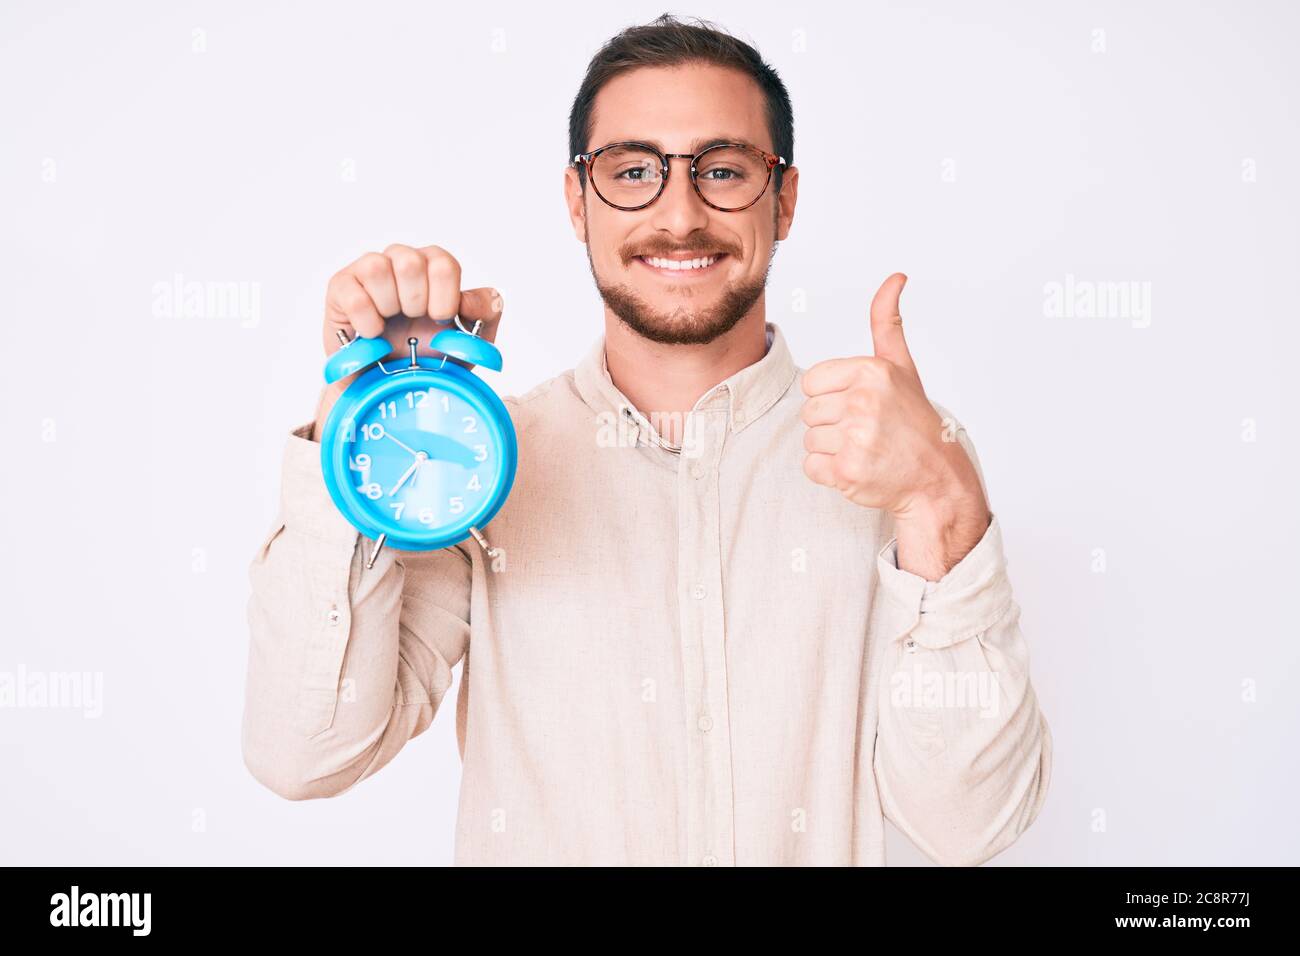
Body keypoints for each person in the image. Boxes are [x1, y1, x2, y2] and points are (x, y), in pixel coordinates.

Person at [241, 13, 1052, 866]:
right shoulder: (473, 468)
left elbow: (969, 826)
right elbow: (303, 754)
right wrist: (364, 425)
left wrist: (938, 500)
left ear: (784, 200)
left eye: (723, 170)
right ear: (576, 200)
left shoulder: (900, 460)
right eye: (633, 170)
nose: (679, 214)